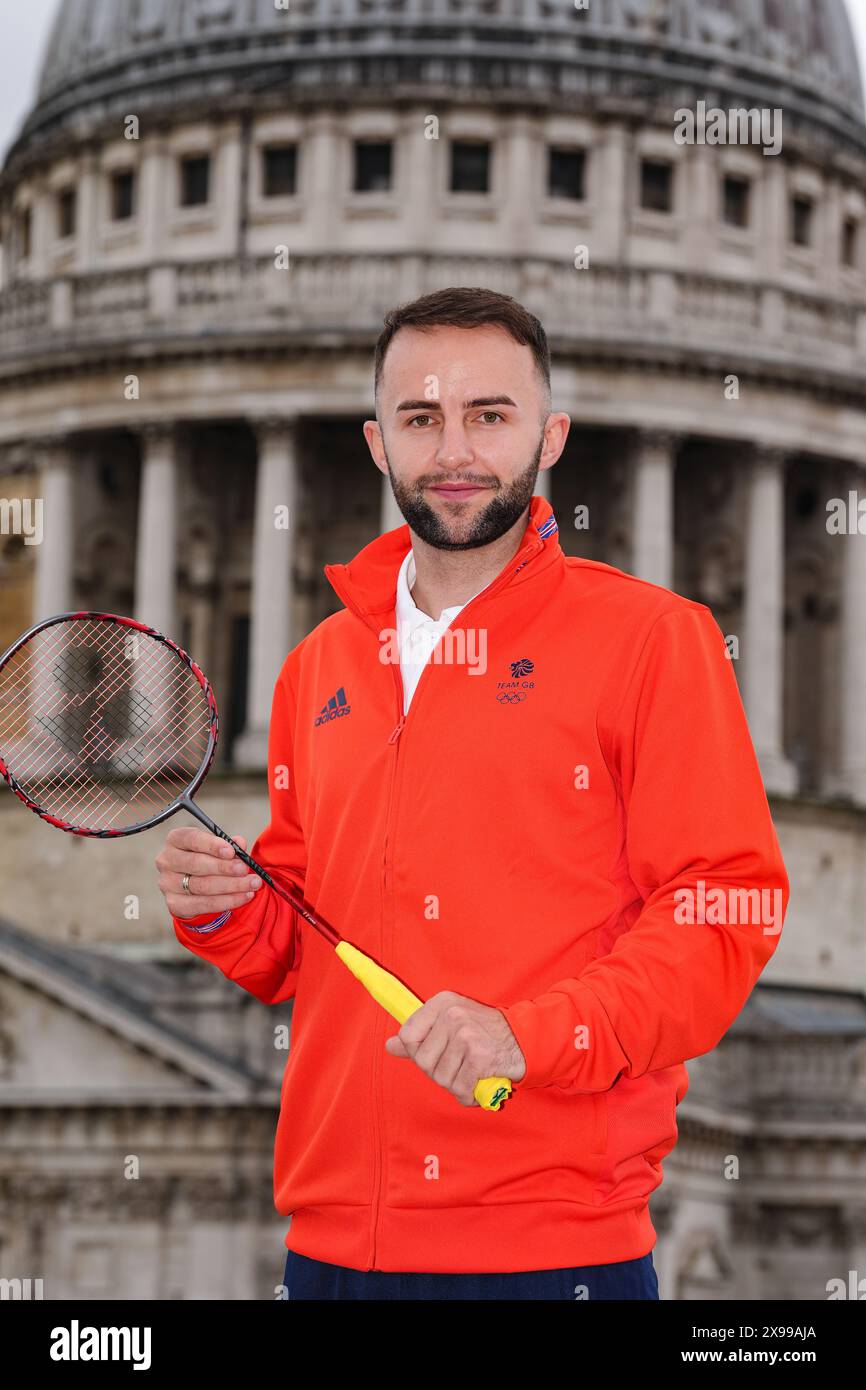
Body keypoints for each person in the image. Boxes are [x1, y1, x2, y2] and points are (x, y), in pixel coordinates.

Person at [156, 287, 789, 1301]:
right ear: (377, 443)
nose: (453, 451)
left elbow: (723, 915)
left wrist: (527, 1034)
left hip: (545, 1253)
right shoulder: (316, 664)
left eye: (488, 415)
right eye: (420, 418)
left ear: (549, 435)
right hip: (327, 1245)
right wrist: (228, 912)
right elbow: (306, 945)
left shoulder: (651, 640)